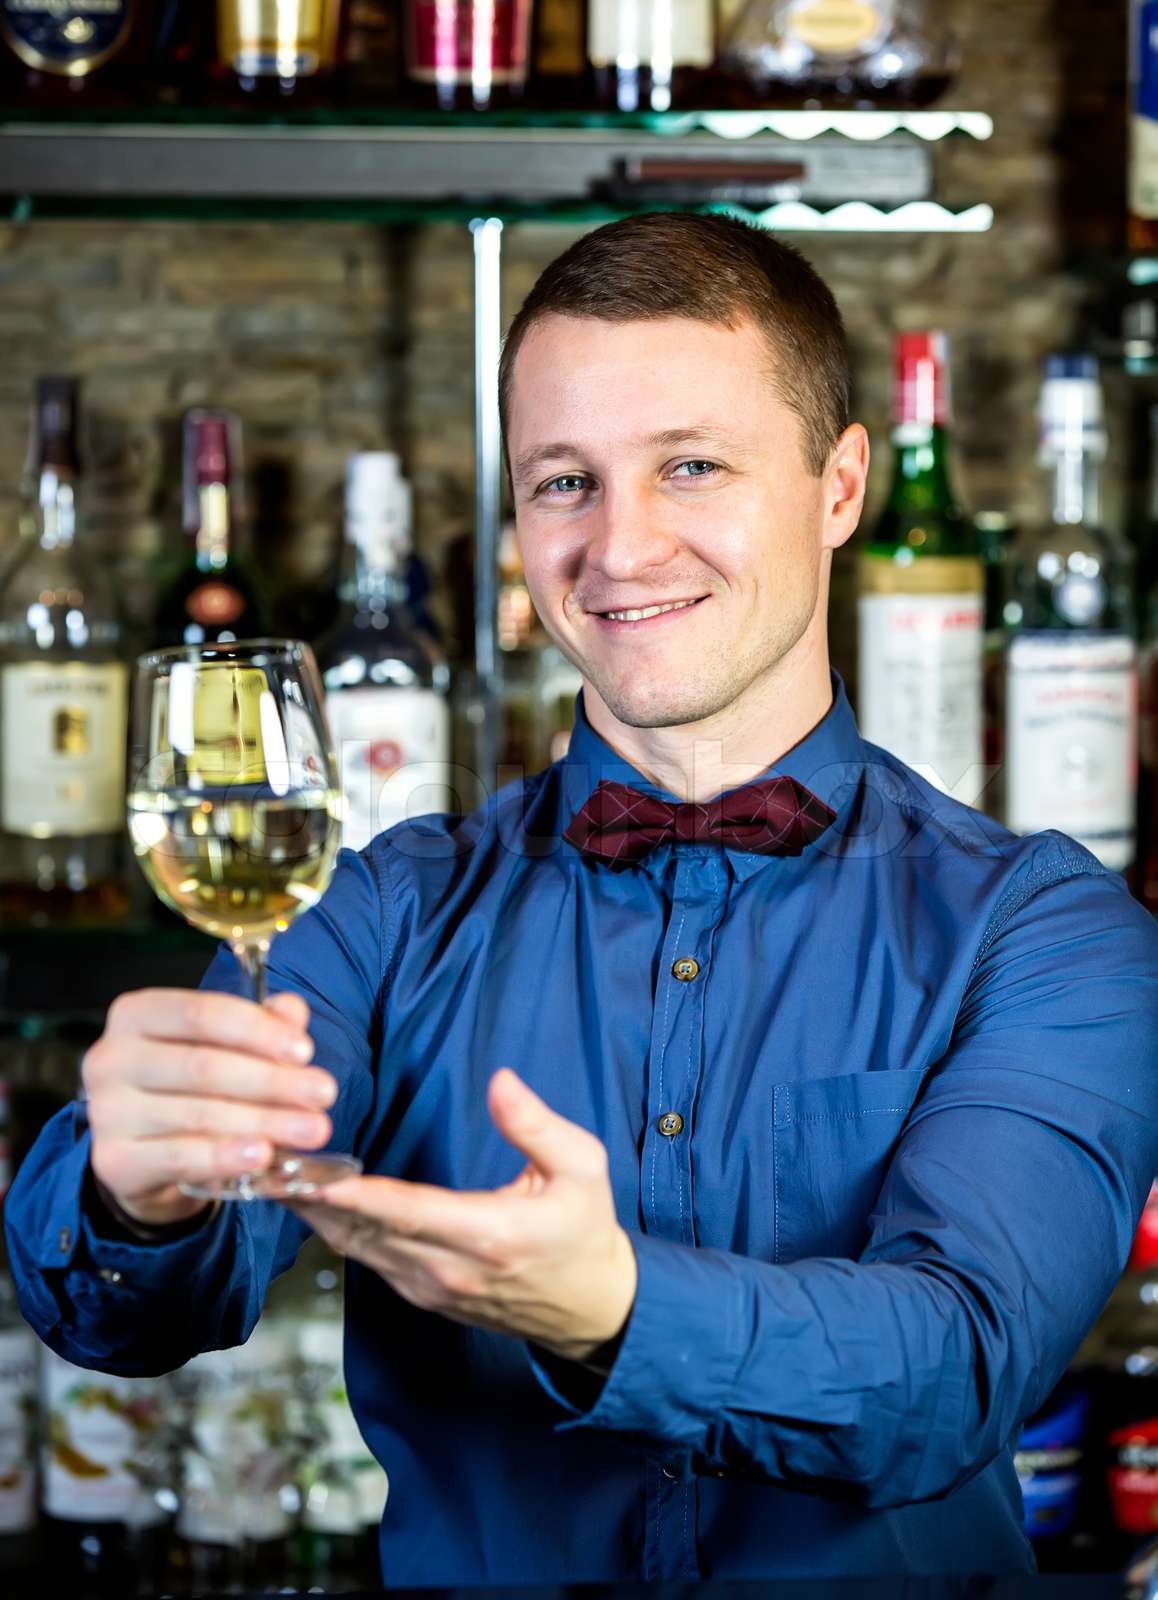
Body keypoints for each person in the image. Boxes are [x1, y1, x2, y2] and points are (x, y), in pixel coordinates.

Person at [7, 212, 1158, 1585]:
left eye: (690, 466)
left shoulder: (1044, 933)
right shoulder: (379, 914)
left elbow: (954, 1363)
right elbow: (137, 1321)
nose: (619, 547)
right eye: (564, 482)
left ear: (837, 486)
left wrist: (613, 1309)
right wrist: (144, 1193)